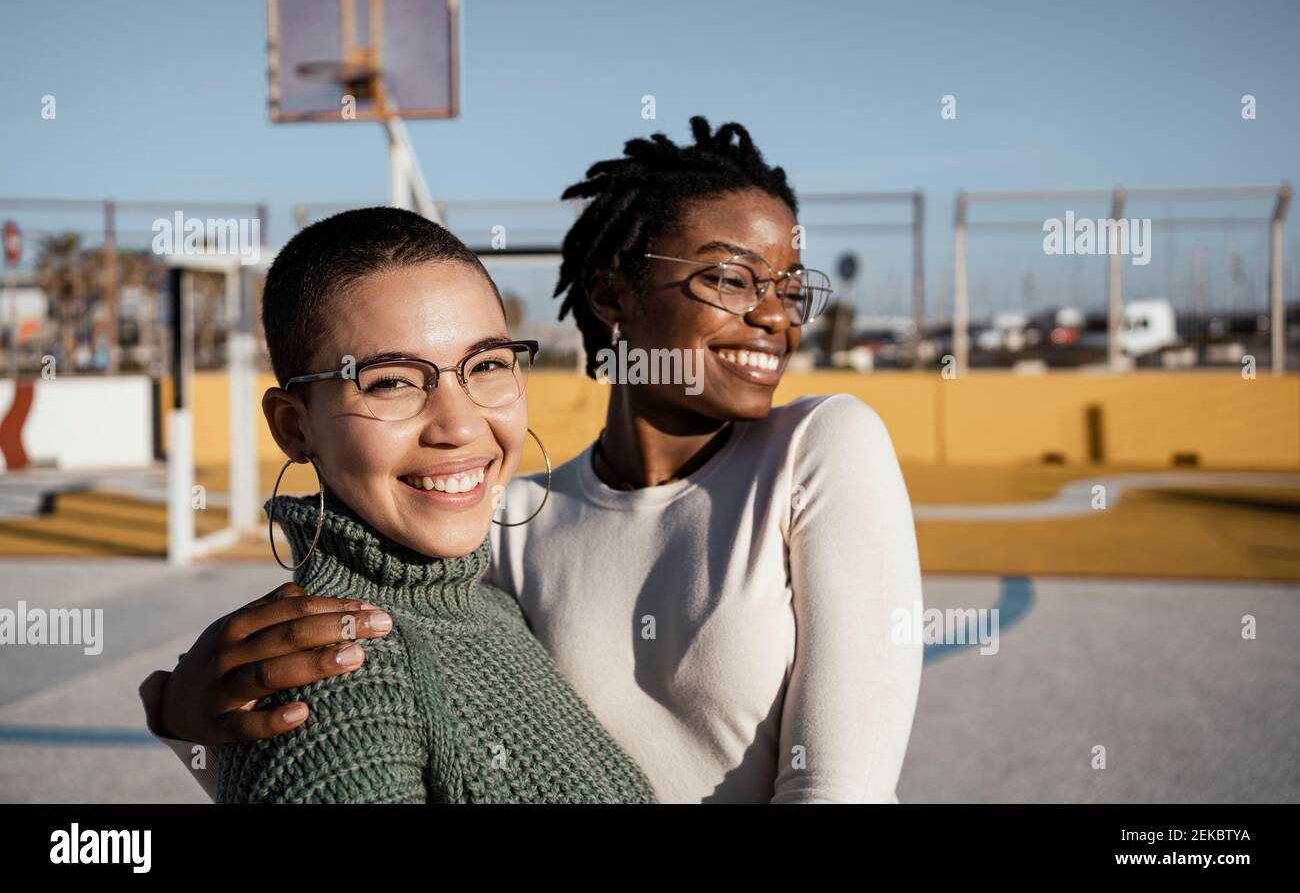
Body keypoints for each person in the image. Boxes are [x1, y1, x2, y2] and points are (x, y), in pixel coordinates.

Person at [141, 117, 923, 803]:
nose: (775, 314)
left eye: (789, 285)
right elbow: (400, 724)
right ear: (613, 293)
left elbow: (837, 789)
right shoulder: (509, 519)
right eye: (729, 277)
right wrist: (200, 721)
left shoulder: (820, 447)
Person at [159, 207, 656, 803]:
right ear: (294, 427)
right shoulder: (336, 672)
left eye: (489, 364)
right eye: (391, 380)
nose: (459, 425)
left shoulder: (490, 610)